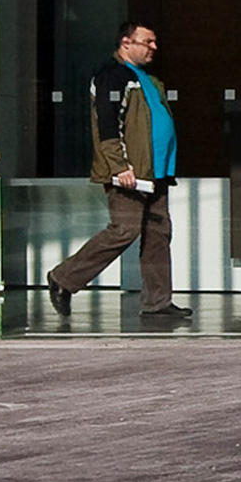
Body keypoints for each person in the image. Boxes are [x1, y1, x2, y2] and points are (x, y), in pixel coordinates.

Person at [47, 22, 190, 327]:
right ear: (127, 42)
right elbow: (108, 126)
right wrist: (119, 166)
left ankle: (157, 302)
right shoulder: (113, 76)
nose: (154, 47)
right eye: (147, 42)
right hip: (130, 173)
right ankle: (63, 278)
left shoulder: (148, 79)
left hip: (155, 172)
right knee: (124, 229)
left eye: (154, 42)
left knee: (157, 234)